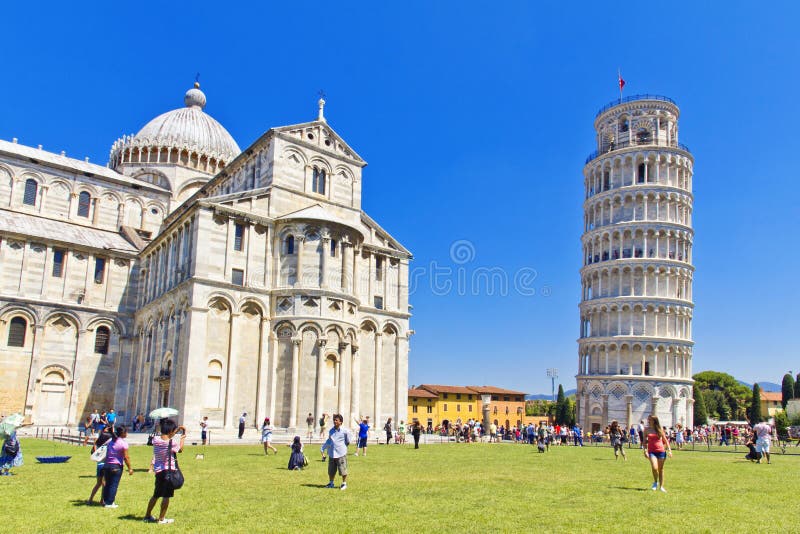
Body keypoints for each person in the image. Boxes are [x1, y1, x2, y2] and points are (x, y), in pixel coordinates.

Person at [144, 419, 186, 524]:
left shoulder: (155, 440)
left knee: (156, 495)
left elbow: (167, 436)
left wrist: (175, 430)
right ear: (171, 431)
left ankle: (147, 515)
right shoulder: (172, 443)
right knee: (166, 496)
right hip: (168, 472)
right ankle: (162, 518)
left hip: (158, 471)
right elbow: (180, 449)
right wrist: (182, 438)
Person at [102, 426, 133, 508]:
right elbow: (126, 457)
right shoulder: (123, 443)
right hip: (116, 466)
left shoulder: (111, 441)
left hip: (107, 465)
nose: (127, 434)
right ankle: (110, 503)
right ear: (123, 433)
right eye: (126, 432)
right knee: (113, 485)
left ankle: (105, 501)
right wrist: (130, 468)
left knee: (107, 484)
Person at [321, 414, 352, 490]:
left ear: (341, 422)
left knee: (343, 469)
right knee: (331, 470)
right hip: (332, 453)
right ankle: (331, 483)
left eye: (336, 420)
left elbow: (348, 440)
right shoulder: (331, 431)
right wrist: (323, 448)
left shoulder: (345, 431)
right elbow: (329, 440)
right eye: (334, 420)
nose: (335, 421)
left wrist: (344, 446)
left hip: (341, 453)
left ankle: (344, 483)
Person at [644, 415, 672, 492]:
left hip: (661, 451)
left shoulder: (660, 429)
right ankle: (655, 482)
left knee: (661, 469)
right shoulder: (646, 430)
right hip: (651, 451)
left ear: (654, 421)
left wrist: (669, 450)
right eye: (648, 419)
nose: (648, 421)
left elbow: (665, 440)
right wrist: (645, 451)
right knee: (654, 467)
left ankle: (662, 486)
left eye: (650, 420)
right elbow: (644, 442)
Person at [87, 425, 113, 504]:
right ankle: (102, 500)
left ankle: (90, 499)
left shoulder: (98, 444)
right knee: (104, 484)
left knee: (98, 484)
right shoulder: (108, 446)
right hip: (106, 465)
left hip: (99, 465)